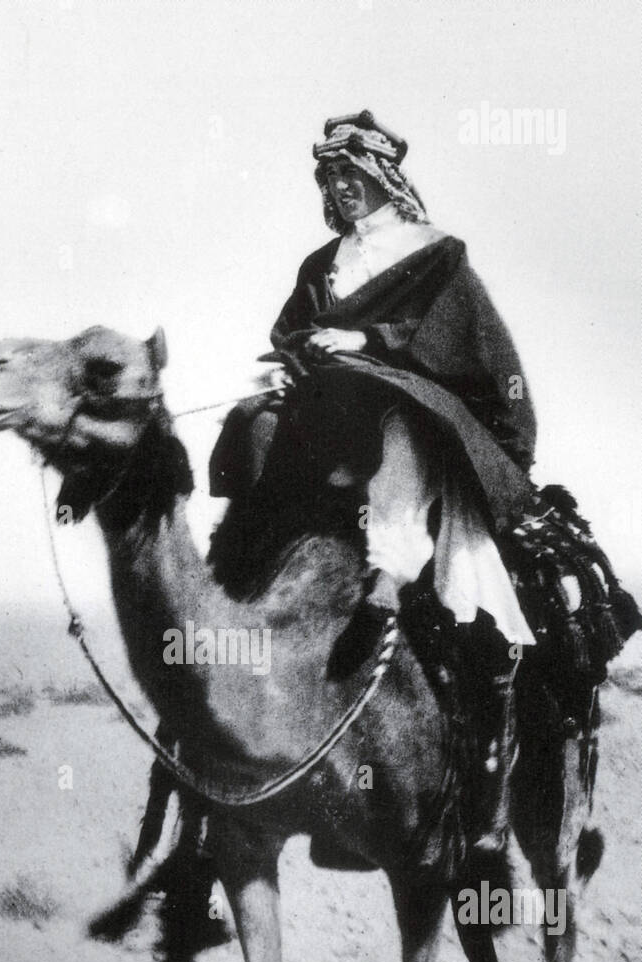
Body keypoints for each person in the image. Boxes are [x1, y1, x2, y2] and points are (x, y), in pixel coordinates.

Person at [213, 110, 541, 854]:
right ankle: (244, 568)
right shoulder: (321, 263)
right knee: (251, 422)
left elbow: (459, 346)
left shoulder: (435, 257)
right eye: (328, 177)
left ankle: (393, 569)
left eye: (348, 175)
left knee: (398, 421)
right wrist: (299, 355)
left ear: (379, 177)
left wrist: (367, 340)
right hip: (333, 410)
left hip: (415, 406)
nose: (338, 187)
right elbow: (291, 329)